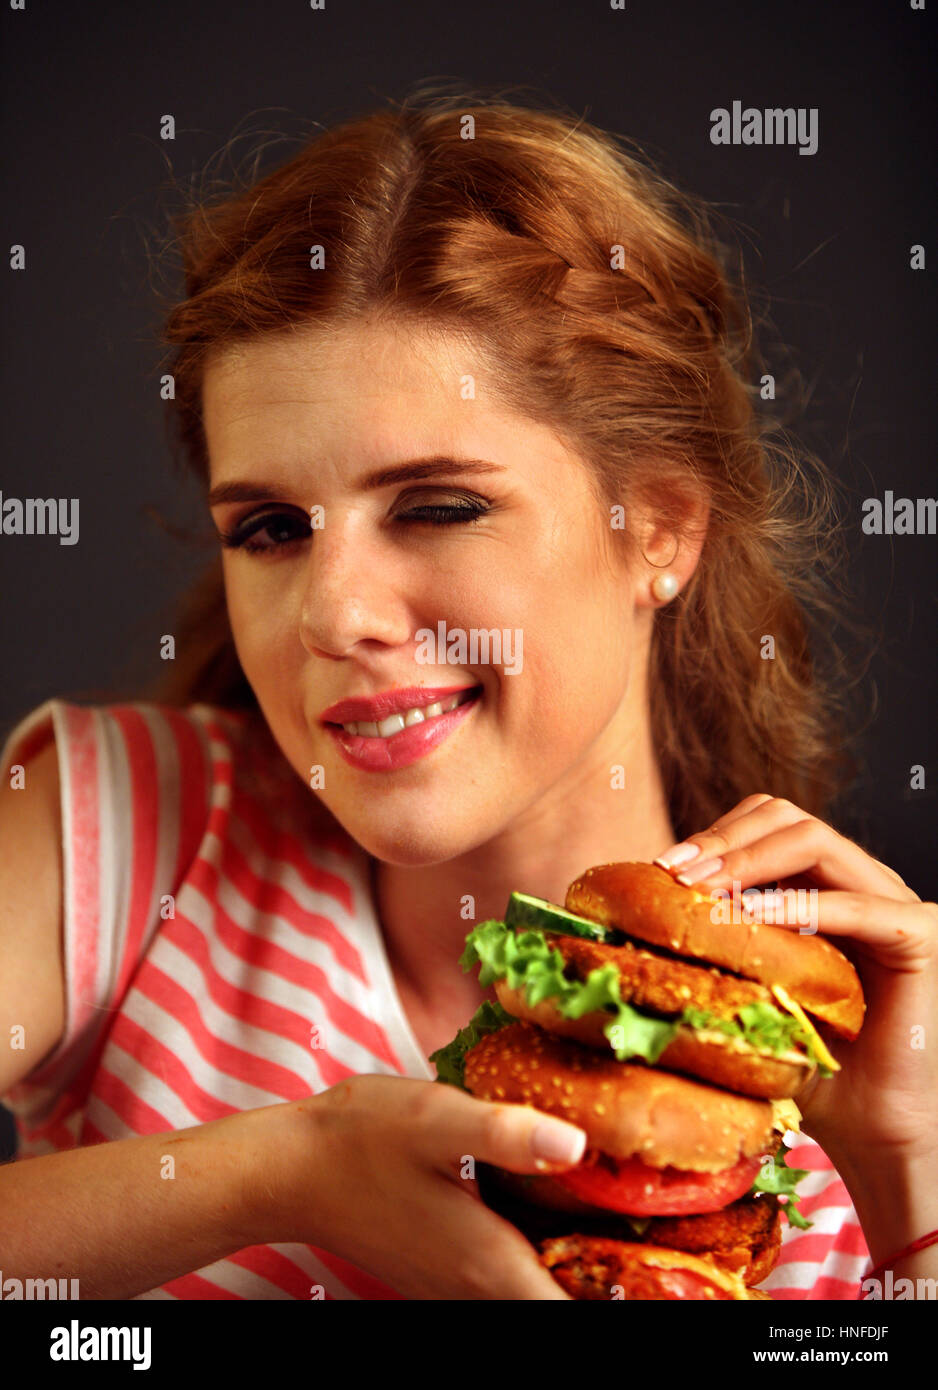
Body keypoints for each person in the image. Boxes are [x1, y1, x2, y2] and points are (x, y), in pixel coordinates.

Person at [1, 88, 935, 1302]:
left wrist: (907, 1184)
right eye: (273, 527)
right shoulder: (116, 829)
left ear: (659, 525)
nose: (331, 615)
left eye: (437, 506)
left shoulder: (836, 1114)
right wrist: (280, 1172)